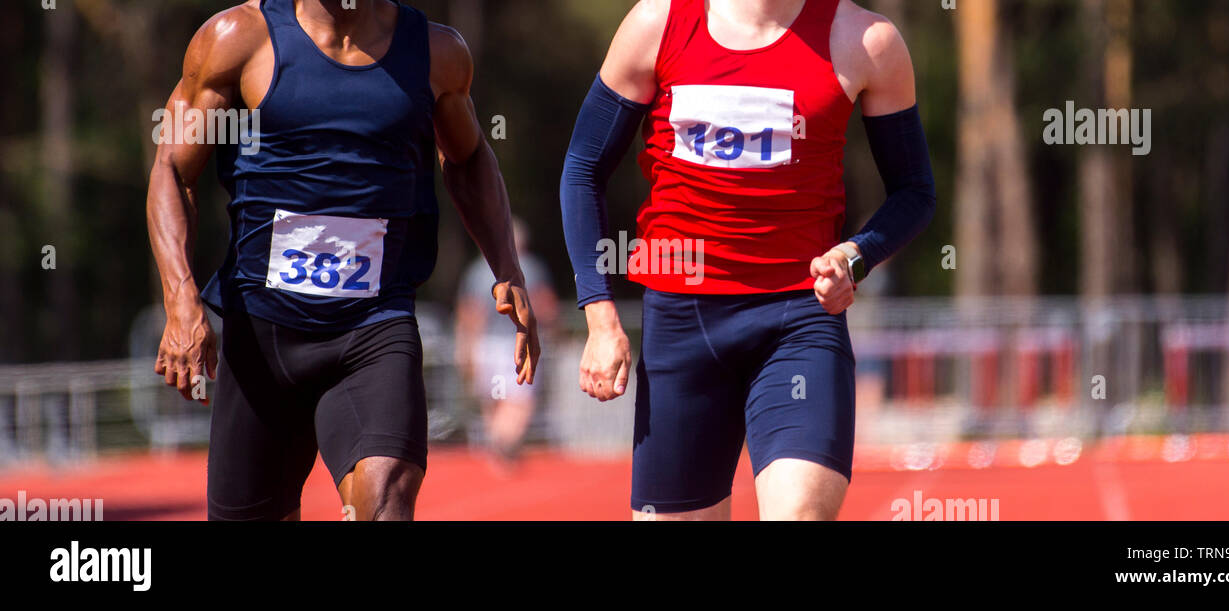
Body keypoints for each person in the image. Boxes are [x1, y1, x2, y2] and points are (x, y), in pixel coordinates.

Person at [146, 0, 540, 521]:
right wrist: (180, 301)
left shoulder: (435, 53)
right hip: (262, 334)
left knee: (386, 498)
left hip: (373, 325)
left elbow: (467, 160)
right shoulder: (238, 38)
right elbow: (173, 169)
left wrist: (507, 267)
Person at [559, 0, 936, 520]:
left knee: (800, 513)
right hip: (681, 323)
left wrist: (856, 255)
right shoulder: (658, 23)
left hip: (799, 322)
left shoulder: (866, 40)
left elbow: (915, 191)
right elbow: (582, 167)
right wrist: (600, 317)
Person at [456, 218, 558, 468]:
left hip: (486, 346)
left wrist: (467, 348)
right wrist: (555, 333)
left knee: (495, 402)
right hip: (516, 344)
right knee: (520, 402)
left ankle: (498, 447)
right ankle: (503, 444)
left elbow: (470, 314)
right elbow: (546, 307)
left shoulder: (477, 270)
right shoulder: (532, 268)